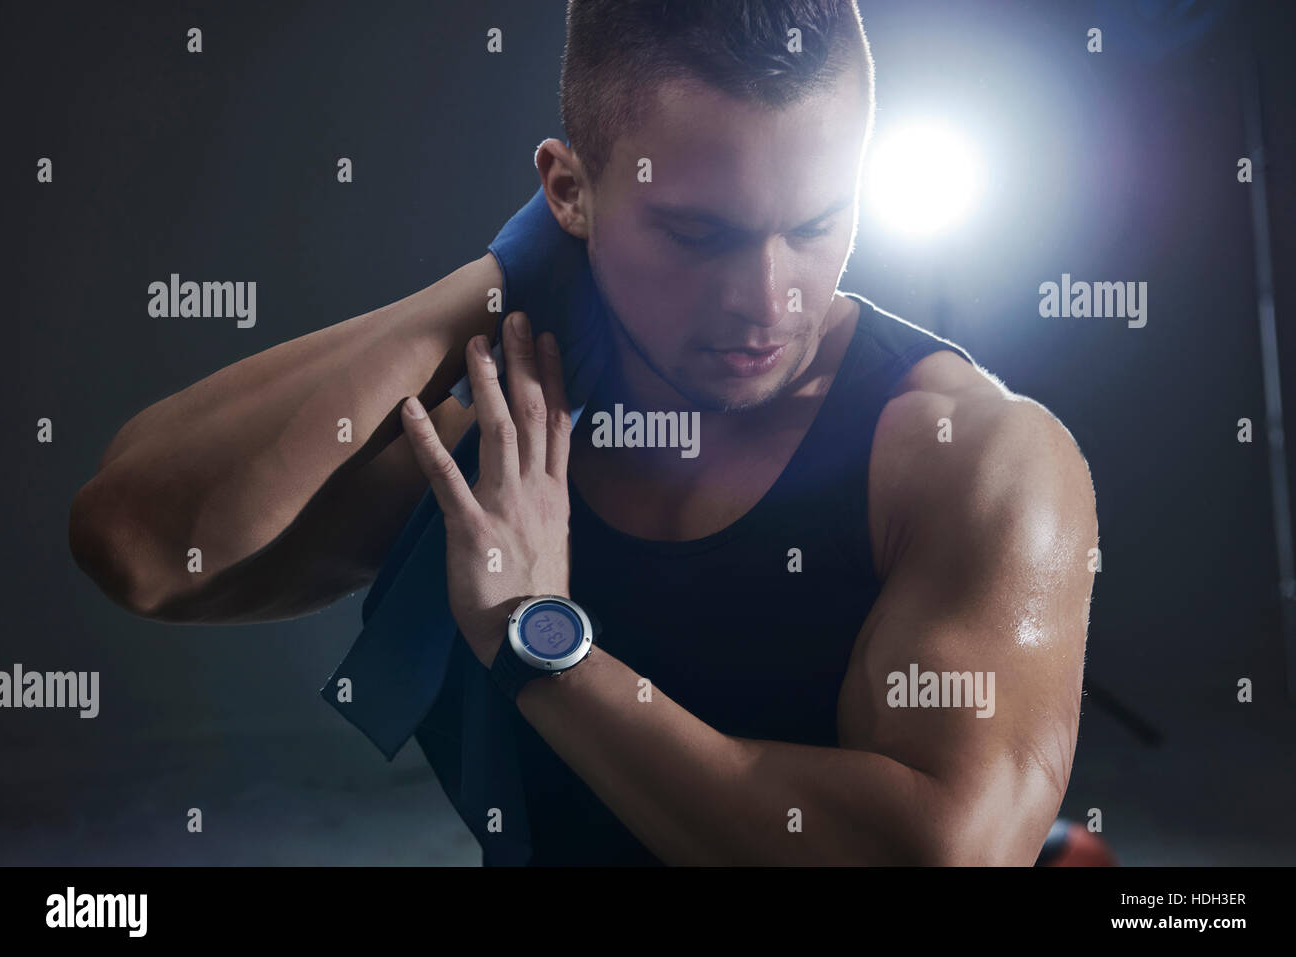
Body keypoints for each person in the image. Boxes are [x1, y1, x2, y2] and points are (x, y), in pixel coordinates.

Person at [69, 0, 1097, 865]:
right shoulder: (506, 406)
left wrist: (537, 641)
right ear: (567, 189)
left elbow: (928, 858)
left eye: (817, 224)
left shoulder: (972, 458)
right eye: (702, 234)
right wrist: (496, 282)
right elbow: (143, 549)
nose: (766, 300)